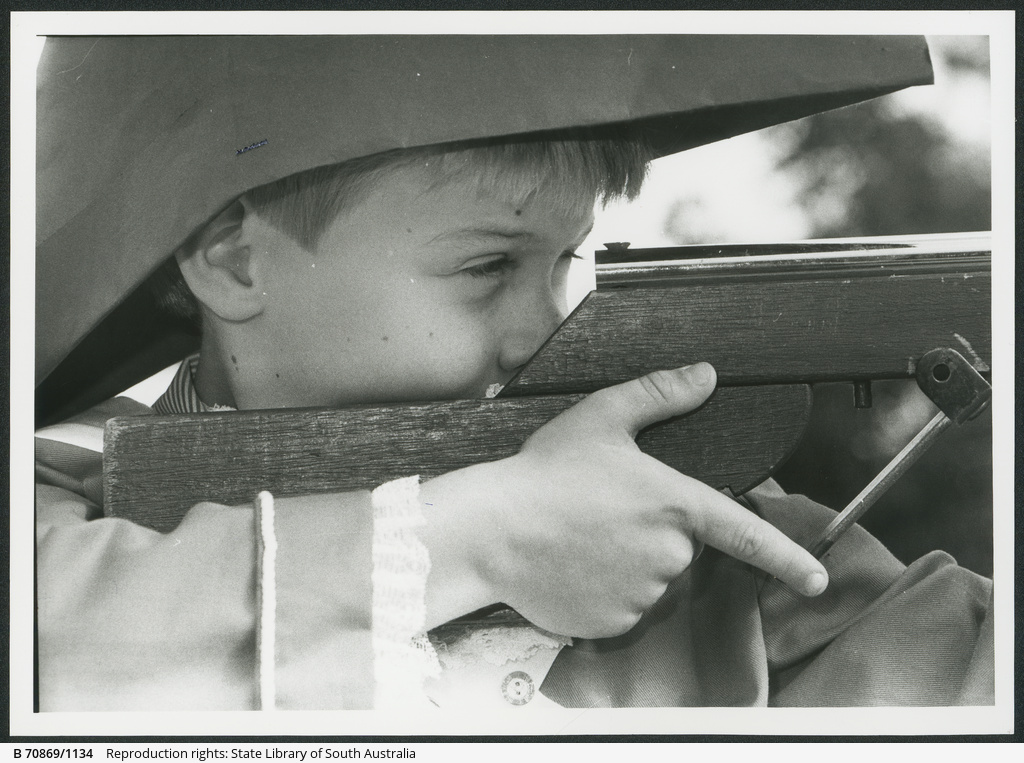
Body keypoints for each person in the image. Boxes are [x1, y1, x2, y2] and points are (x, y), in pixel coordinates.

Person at [34, 34, 993, 712]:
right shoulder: (67, 491)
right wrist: (484, 538)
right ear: (235, 262)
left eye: (566, 261)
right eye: (489, 265)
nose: (548, 325)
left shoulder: (682, 540)